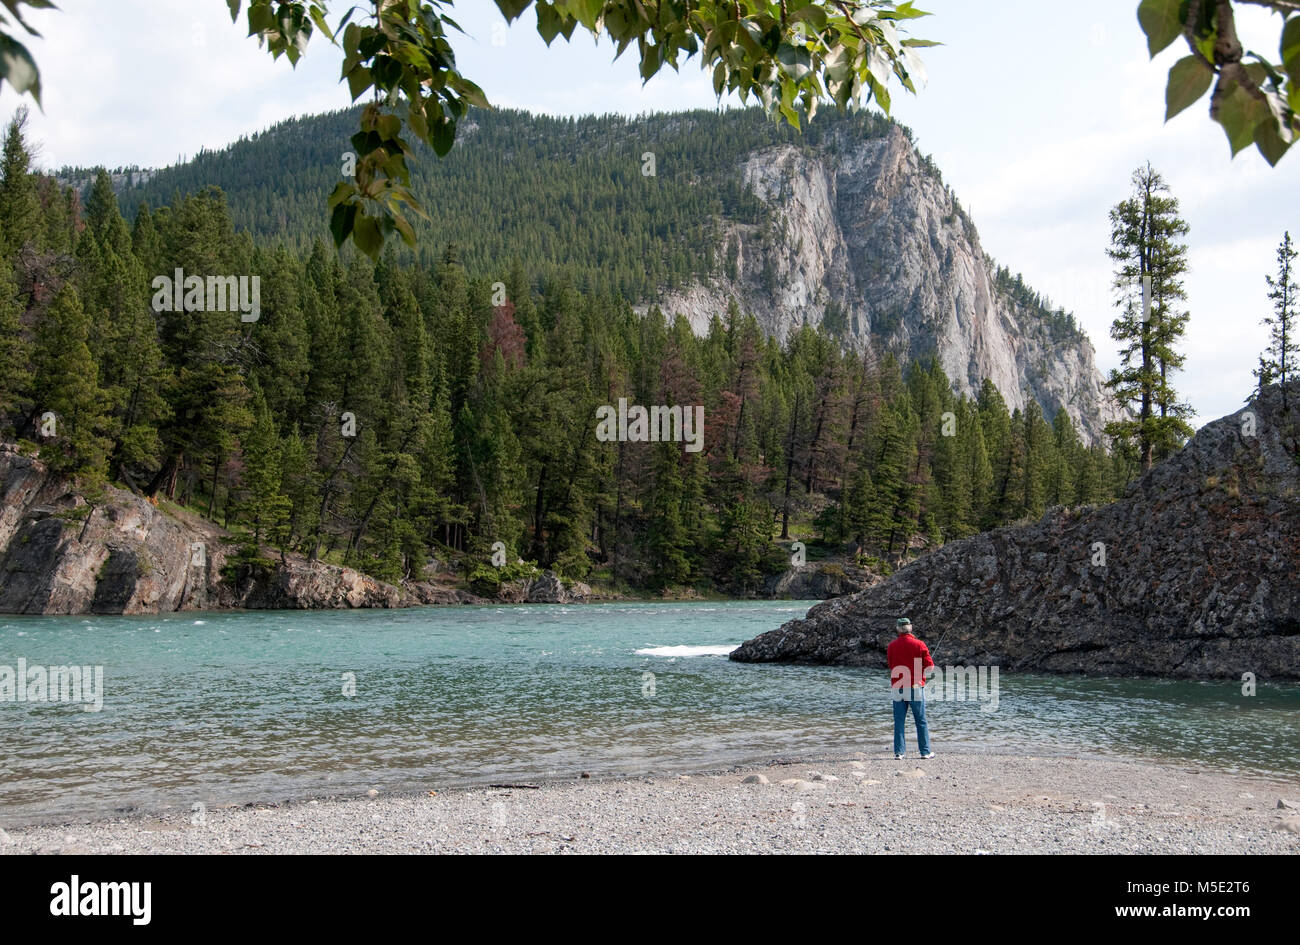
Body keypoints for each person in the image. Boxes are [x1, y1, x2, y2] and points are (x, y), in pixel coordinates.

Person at [887, 617, 935, 760]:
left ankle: (899, 753)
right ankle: (925, 752)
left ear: (898, 629)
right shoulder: (920, 644)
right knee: (920, 720)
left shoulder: (891, 646)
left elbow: (891, 666)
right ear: (910, 628)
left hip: (898, 687)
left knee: (899, 721)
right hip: (915, 687)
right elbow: (930, 667)